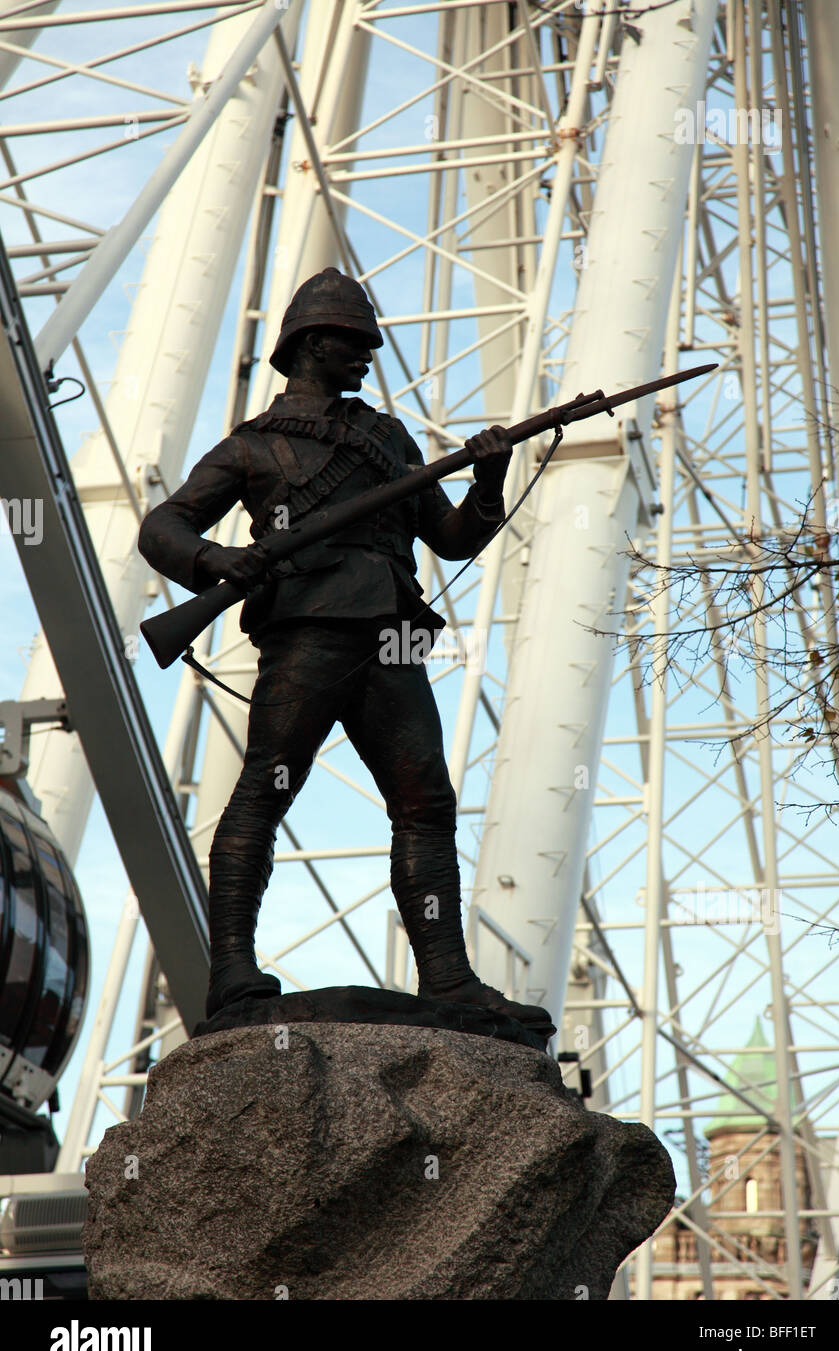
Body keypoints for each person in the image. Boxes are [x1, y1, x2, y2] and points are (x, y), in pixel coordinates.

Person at [139, 266, 554, 1040]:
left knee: (426, 802)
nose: (367, 355)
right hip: (308, 631)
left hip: (391, 632)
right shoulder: (253, 447)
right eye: (353, 344)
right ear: (311, 345)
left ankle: (449, 978)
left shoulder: (385, 437)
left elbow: (454, 539)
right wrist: (217, 563)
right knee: (266, 791)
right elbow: (163, 527)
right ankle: (231, 969)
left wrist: (491, 479)